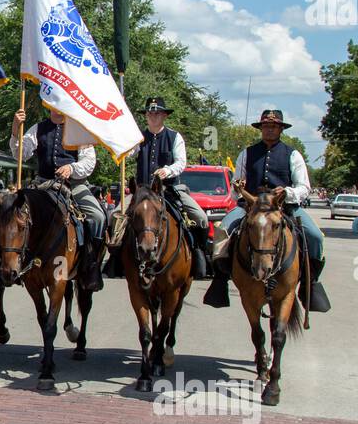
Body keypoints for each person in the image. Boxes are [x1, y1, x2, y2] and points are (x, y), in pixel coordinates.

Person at [205, 109, 329, 312]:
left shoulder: (293, 154)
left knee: (315, 237)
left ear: (281, 129)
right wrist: (239, 187)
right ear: (260, 129)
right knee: (223, 231)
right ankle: (220, 280)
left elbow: (303, 187)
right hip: (251, 207)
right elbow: (236, 187)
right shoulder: (246, 153)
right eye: (265, 126)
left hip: (284, 208)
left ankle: (310, 282)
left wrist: (287, 192)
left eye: (273, 126)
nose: (269, 130)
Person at [10, 104, 107, 291]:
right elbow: (20, 155)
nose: (57, 107)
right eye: (52, 103)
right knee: (12, 214)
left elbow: (89, 161)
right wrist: (15, 128)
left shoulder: (79, 129)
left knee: (98, 217)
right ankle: (13, 263)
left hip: (73, 185)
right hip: (42, 184)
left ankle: (90, 264)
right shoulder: (37, 128)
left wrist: (71, 168)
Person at [129, 96, 211, 278]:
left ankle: (200, 256)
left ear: (164, 115)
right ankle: (114, 261)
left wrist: (167, 171)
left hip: (169, 190)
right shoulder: (138, 138)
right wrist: (123, 143)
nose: (153, 116)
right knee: (115, 219)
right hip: (143, 192)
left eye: (157, 113)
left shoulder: (174, 137)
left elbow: (181, 162)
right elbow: (128, 153)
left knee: (201, 217)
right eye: (150, 113)